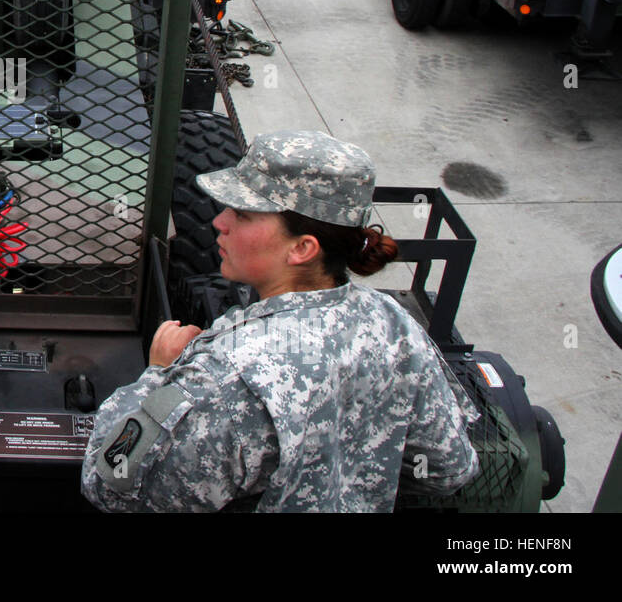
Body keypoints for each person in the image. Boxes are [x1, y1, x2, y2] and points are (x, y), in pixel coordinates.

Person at [80, 130, 481, 512]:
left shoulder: (228, 374)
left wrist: (158, 374)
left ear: (302, 248)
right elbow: (448, 469)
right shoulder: (394, 323)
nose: (219, 223)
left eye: (241, 213)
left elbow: (110, 484)